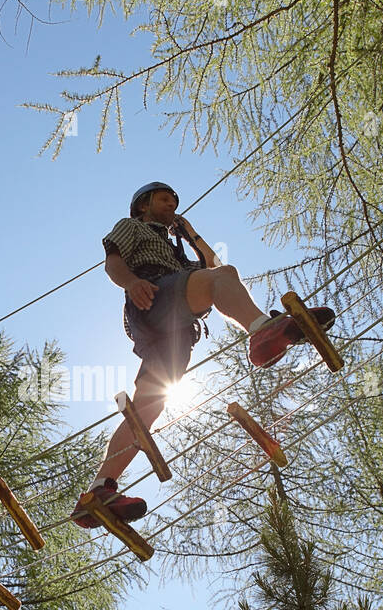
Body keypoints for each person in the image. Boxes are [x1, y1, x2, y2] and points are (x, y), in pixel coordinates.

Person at [72, 181, 334, 528]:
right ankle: (261, 331)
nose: (171, 205)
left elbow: (211, 264)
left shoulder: (176, 247)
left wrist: (190, 233)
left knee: (149, 407)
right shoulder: (131, 226)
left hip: (177, 329)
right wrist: (131, 283)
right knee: (220, 279)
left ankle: (99, 490)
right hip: (154, 295)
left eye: (174, 202)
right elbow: (113, 263)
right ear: (142, 206)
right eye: (164, 200)